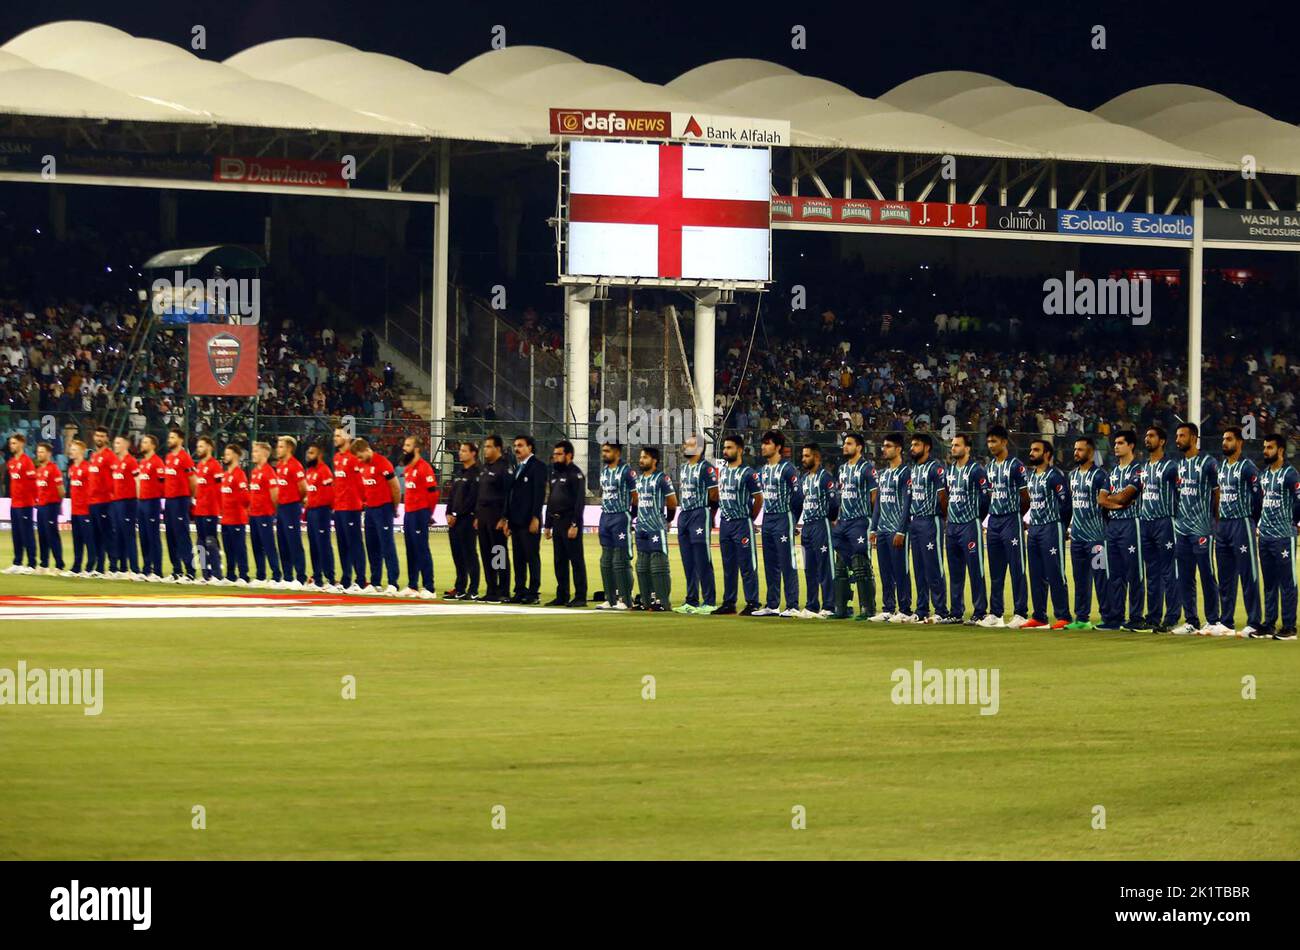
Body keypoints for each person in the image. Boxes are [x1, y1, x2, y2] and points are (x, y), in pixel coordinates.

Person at [1172, 423, 1220, 635]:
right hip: (1182, 529)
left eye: (1182, 435)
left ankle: (1213, 620)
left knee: (1207, 574)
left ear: (1194, 438)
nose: (1178, 439)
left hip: (1202, 529)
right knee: (1185, 576)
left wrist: (1216, 522)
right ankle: (1191, 620)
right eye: (1176, 435)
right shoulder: (1178, 465)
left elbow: (1217, 493)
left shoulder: (1208, 462)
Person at [980, 425, 1030, 628]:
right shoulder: (990, 467)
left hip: (1011, 519)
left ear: (1004, 442)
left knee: (1017, 567)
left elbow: (1025, 497)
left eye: (994, 441)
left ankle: (1020, 612)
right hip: (994, 522)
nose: (991, 445)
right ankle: (996, 614)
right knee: (996, 569)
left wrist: (1018, 515)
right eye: (989, 441)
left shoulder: (1016, 466)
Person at [1214, 426, 1263, 636]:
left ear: (1240, 443)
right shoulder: (1221, 467)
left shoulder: (1247, 467)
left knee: (1247, 573)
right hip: (1223, 525)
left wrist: (1253, 520)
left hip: (1241, 524)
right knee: (1225, 576)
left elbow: (1258, 496)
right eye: (1224, 439)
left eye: (1229, 439)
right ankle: (1226, 621)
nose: (1225, 443)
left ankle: (1253, 621)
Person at [1097, 430, 1145, 631]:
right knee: (1114, 573)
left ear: (1131, 445)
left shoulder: (1138, 470)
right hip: (1113, 526)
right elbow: (1101, 499)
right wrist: (1117, 503)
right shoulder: (1112, 472)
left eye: (1120, 443)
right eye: (1115, 443)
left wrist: (1114, 500)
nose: (1115, 446)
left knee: (1133, 571)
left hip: (1131, 524)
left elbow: (1127, 495)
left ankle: (1135, 616)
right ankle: (1115, 617)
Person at [1023, 438, 1071, 629]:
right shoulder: (1031, 476)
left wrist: (1061, 526)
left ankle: (1063, 615)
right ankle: (1039, 616)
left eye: (1036, 450)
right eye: (1031, 449)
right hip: (1034, 529)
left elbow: (1066, 504)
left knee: (1055, 572)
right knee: (1035, 573)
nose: (1031, 453)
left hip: (1051, 528)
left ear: (1047, 454)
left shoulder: (1055, 476)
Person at [1256, 433, 1300, 640]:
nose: (1265, 451)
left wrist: (1295, 521)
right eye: (1265, 447)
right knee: (1269, 582)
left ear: (1280, 450)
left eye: (1270, 448)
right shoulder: (1264, 475)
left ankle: (1289, 626)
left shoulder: (1290, 474)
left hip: (1283, 536)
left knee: (1287, 582)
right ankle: (1269, 624)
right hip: (1264, 536)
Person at [1139, 426, 1181, 632]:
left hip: (1165, 522)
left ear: (1162, 441)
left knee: (1168, 570)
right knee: (1152, 572)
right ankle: (1153, 616)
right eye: (1146, 436)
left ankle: (1172, 616)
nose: (1147, 439)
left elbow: (1181, 494)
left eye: (1152, 436)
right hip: (1146, 523)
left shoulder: (1171, 467)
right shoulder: (1144, 467)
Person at [755, 430, 802, 617]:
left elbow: (798, 497)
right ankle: (772, 605)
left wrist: (793, 519)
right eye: (763, 443)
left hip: (784, 517)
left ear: (778, 447)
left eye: (767, 443)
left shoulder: (788, 469)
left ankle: (792, 605)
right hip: (768, 519)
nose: (763, 447)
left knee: (788, 563)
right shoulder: (763, 470)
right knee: (770, 563)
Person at [715, 434, 763, 616]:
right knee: (728, 565)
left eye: (729, 448)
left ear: (740, 450)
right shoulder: (724, 471)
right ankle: (729, 602)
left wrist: (750, 517)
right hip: (725, 524)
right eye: (725, 448)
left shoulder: (748, 473)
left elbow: (758, 498)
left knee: (747, 565)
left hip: (742, 523)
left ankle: (753, 602)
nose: (726, 451)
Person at [944, 433, 989, 624]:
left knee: (975, 569)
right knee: (955, 572)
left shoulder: (976, 470)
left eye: (957, 445)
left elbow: (986, 497)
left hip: (970, 525)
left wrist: (977, 517)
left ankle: (980, 611)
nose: (953, 448)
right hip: (952, 526)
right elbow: (947, 495)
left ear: (967, 448)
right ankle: (956, 612)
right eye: (952, 445)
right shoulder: (951, 470)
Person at [832, 432, 877, 621]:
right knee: (840, 565)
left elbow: (875, 496)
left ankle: (868, 608)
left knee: (860, 564)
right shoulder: (842, 469)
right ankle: (842, 608)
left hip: (860, 521)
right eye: (844, 443)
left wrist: (873, 522)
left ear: (859, 447)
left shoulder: (867, 468)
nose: (845, 446)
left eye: (849, 443)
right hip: (844, 521)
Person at [1067, 437, 1109, 630]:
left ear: (1091, 452)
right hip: (1077, 538)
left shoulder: (1100, 476)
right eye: (1075, 449)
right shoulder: (1072, 475)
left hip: (1096, 539)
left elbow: (1105, 505)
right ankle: (1082, 618)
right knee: (1080, 578)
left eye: (1080, 450)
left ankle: (1107, 617)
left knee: (1101, 577)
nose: (1076, 452)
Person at [869, 432, 911, 622]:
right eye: (884, 446)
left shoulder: (905, 473)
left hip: (896, 529)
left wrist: (901, 530)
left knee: (900, 570)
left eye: (888, 446)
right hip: (883, 529)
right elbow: (878, 503)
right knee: (885, 570)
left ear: (899, 449)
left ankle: (904, 609)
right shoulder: (883, 474)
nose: (883, 449)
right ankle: (888, 607)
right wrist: (873, 527)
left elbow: (907, 503)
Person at [674, 435, 719, 614]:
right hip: (684, 514)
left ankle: (709, 601)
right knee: (688, 560)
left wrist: (709, 514)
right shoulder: (684, 468)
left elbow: (714, 494)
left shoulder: (706, 468)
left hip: (700, 513)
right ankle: (691, 600)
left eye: (690, 444)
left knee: (702, 559)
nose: (685, 446)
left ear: (699, 449)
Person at [907, 433, 948, 622]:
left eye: (916, 445)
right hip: (915, 522)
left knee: (934, 566)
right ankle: (921, 609)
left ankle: (941, 611)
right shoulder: (914, 468)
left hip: (931, 521)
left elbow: (942, 496)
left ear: (927, 447)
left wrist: (944, 517)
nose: (912, 448)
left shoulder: (935, 467)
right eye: (912, 444)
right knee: (919, 567)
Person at [354, 438, 400, 595]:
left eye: (360, 456)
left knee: (387, 546)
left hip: (384, 508)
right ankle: (375, 583)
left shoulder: (382, 463)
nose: (359, 460)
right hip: (370, 510)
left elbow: (395, 487)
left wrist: (394, 507)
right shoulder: (361, 465)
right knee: (372, 546)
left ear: (367, 450)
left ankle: (393, 583)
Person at [797, 443, 838, 619]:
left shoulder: (825, 477)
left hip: (821, 525)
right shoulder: (804, 478)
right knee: (809, 568)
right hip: (807, 526)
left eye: (807, 456)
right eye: (803, 456)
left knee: (825, 567)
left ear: (817, 457)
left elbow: (834, 503)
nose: (803, 459)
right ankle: (811, 605)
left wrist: (828, 520)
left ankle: (829, 605)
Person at [544, 440, 587, 607]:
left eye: (559, 454)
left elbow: (579, 502)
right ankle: (562, 595)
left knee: (576, 560)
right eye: (554, 454)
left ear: (569, 455)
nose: (555, 457)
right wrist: (547, 524)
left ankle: (580, 596)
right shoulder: (554, 473)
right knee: (559, 560)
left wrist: (575, 524)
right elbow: (551, 500)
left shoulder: (576, 474)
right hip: (556, 521)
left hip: (570, 521)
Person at [633, 446, 676, 611]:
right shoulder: (639, 479)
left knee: (659, 565)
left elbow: (672, 502)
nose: (641, 460)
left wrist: (668, 520)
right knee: (642, 566)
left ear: (654, 460)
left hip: (656, 527)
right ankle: (646, 599)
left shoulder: (661, 478)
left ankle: (662, 601)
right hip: (641, 527)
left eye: (645, 457)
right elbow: (636, 503)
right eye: (641, 457)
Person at [595, 442, 636, 610]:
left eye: (607, 451)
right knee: (606, 560)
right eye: (603, 451)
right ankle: (610, 599)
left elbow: (636, 496)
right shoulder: (604, 472)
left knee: (621, 559)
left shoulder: (627, 472)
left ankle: (626, 599)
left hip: (621, 516)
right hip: (605, 517)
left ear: (617, 452)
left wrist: (629, 517)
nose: (603, 454)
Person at [507, 434, 545, 604]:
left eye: (520, 445)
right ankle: (520, 590)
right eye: (515, 445)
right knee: (519, 558)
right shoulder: (518, 467)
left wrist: (535, 517)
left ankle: (533, 592)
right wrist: (508, 519)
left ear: (530, 447)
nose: (516, 448)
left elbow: (538, 494)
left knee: (531, 557)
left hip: (529, 520)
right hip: (516, 521)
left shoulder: (538, 466)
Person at [399, 435, 438, 599]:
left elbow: (433, 493)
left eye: (407, 445)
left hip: (420, 512)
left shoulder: (425, 468)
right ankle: (413, 585)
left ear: (416, 449)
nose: (404, 448)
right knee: (411, 550)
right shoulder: (408, 468)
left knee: (422, 549)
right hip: (409, 512)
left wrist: (429, 513)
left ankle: (429, 587)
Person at [475, 434, 512, 602]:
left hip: (496, 516)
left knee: (499, 554)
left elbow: (508, 495)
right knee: (486, 554)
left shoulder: (504, 468)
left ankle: (503, 591)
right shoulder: (484, 468)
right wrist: (477, 515)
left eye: (489, 447)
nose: (485, 450)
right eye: (485, 447)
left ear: (498, 449)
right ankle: (491, 589)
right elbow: (480, 494)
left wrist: (504, 518)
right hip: (483, 517)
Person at [331, 426, 366, 592]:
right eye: (335, 435)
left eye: (338, 435)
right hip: (339, 508)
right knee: (342, 545)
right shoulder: (337, 457)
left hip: (352, 507)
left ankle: (360, 580)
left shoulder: (354, 458)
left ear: (347, 437)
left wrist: (362, 502)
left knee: (355, 544)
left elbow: (361, 482)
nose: (335, 438)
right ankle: (346, 579)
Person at [444, 442, 480, 600]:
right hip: (455, 520)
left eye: (464, 451)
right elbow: (452, 496)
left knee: (470, 554)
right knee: (457, 555)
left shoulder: (477, 473)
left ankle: (473, 589)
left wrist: (456, 514)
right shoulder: (459, 472)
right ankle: (460, 587)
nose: (460, 453)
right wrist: (448, 512)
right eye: (460, 450)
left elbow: (472, 498)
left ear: (473, 453)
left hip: (467, 519)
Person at [161, 427, 196, 583]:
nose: (170, 440)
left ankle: (190, 571)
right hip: (169, 501)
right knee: (170, 536)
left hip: (181, 500)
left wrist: (190, 498)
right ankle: (176, 570)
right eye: (169, 437)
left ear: (180, 440)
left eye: (173, 437)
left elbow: (192, 480)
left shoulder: (185, 457)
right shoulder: (168, 457)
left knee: (182, 535)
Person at [247, 442, 284, 588]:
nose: (253, 454)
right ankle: (260, 576)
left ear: (264, 454)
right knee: (256, 546)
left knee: (268, 545)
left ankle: (276, 575)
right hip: (254, 514)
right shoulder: (255, 471)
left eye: (256, 451)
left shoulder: (269, 472)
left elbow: (275, 495)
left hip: (264, 515)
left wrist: (271, 512)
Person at [273, 436, 308, 589]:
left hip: (291, 507)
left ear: (289, 448)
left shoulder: (296, 466)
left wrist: (295, 501)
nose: (277, 449)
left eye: (280, 446)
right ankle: (287, 577)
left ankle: (300, 577)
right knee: (282, 542)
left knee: (294, 542)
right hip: (281, 508)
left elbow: (303, 488)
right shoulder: (280, 465)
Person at [303, 440, 337, 590]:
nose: (308, 456)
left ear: (320, 455)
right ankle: (317, 577)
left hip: (321, 512)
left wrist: (325, 510)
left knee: (323, 545)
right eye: (308, 453)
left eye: (311, 453)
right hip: (311, 512)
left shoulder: (324, 471)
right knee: (314, 546)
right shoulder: (309, 471)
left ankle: (330, 578)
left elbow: (330, 494)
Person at [191, 436, 224, 582]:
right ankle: (205, 574)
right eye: (198, 446)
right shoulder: (199, 466)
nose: (199, 449)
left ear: (209, 447)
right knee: (200, 543)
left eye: (201, 446)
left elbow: (219, 488)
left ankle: (217, 574)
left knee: (211, 542)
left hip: (210, 510)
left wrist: (218, 507)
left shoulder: (215, 466)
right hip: (199, 510)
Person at [109, 434, 142, 579]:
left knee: (128, 535)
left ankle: (134, 569)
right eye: (114, 443)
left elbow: (137, 481)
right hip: (116, 502)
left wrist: (137, 499)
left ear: (125, 445)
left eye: (117, 443)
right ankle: (122, 568)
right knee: (118, 535)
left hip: (128, 502)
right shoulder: (116, 462)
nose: (115, 445)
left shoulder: (131, 461)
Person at [4, 432, 37, 573]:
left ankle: (31, 564)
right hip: (15, 504)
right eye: (11, 443)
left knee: (27, 534)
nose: (12, 446)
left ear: (22, 443)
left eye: (14, 443)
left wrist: (34, 500)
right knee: (16, 534)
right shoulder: (11, 463)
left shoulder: (27, 461)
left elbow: (33, 483)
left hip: (25, 505)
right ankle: (17, 563)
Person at [218, 443, 251, 585]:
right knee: (228, 549)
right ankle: (230, 575)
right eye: (225, 454)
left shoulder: (240, 474)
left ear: (236, 456)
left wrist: (240, 509)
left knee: (239, 548)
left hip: (237, 519)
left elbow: (246, 498)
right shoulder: (225, 475)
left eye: (228, 454)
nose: (225, 456)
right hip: (226, 519)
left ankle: (244, 575)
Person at [136, 434, 167, 581]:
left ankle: (157, 570)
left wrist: (157, 496)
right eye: (142, 442)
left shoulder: (157, 462)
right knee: (143, 536)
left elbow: (163, 483)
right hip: (142, 502)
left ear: (153, 445)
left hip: (152, 502)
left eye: (146, 442)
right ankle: (146, 568)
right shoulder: (142, 462)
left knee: (153, 536)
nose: (142, 444)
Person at [87, 426, 116, 577]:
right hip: (93, 502)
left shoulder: (109, 456)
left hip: (105, 501)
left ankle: (112, 567)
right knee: (96, 535)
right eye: (97, 435)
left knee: (107, 535)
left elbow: (115, 476)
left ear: (107, 438)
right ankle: (99, 567)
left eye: (102, 436)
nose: (99, 438)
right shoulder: (93, 456)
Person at [33, 441, 65, 574]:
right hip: (40, 507)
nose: (39, 454)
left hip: (51, 506)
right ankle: (44, 564)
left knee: (52, 535)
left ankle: (59, 565)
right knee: (42, 536)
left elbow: (61, 491)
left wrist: (57, 505)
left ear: (49, 454)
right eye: (38, 452)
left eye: (42, 452)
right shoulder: (39, 470)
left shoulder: (54, 469)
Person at [66, 439, 95, 576]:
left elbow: (91, 489)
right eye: (71, 449)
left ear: (82, 452)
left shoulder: (87, 468)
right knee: (77, 540)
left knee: (89, 540)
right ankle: (76, 567)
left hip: (85, 510)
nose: (72, 452)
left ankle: (90, 567)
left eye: (74, 449)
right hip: (75, 510)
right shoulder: (71, 469)